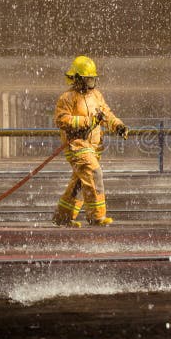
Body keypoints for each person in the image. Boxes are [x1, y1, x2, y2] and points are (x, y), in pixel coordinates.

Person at [52, 55, 128, 228]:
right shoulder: (67, 98)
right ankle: (96, 217)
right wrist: (87, 121)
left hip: (94, 148)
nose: (92, 82)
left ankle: (63, 217)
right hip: (77, 146)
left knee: (79, 183)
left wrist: (118, 126)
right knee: (94, 174)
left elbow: (106, 114)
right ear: (78, 79)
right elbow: (61, 120)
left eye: (93, 79)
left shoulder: (96, 96)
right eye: (88, 79)